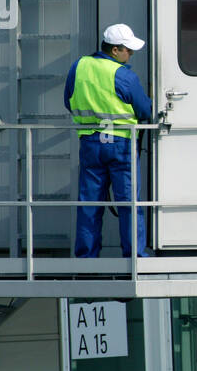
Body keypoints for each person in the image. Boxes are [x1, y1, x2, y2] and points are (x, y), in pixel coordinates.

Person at [64, 24, 154, 258]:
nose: (130, 54)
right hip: (120, 144)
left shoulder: (79, 67)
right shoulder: (123, 75)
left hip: (90, 143)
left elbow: (68, 100)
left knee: (89, 203)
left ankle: (86, 259)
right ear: (115, 50)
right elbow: (144, 110)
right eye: (128, 50)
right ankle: (135, 257)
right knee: (128, 204)